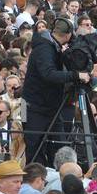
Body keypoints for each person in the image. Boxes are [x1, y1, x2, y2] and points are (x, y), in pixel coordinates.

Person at [21, 18, 89, 166]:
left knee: (59, 146)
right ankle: (37, 179)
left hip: (50, 107)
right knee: (35, 149)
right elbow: (49, 74)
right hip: (33, 107)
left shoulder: (52, 46)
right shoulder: (44, 49)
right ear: (68, 34)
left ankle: (58, 175)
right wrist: (76, 75)